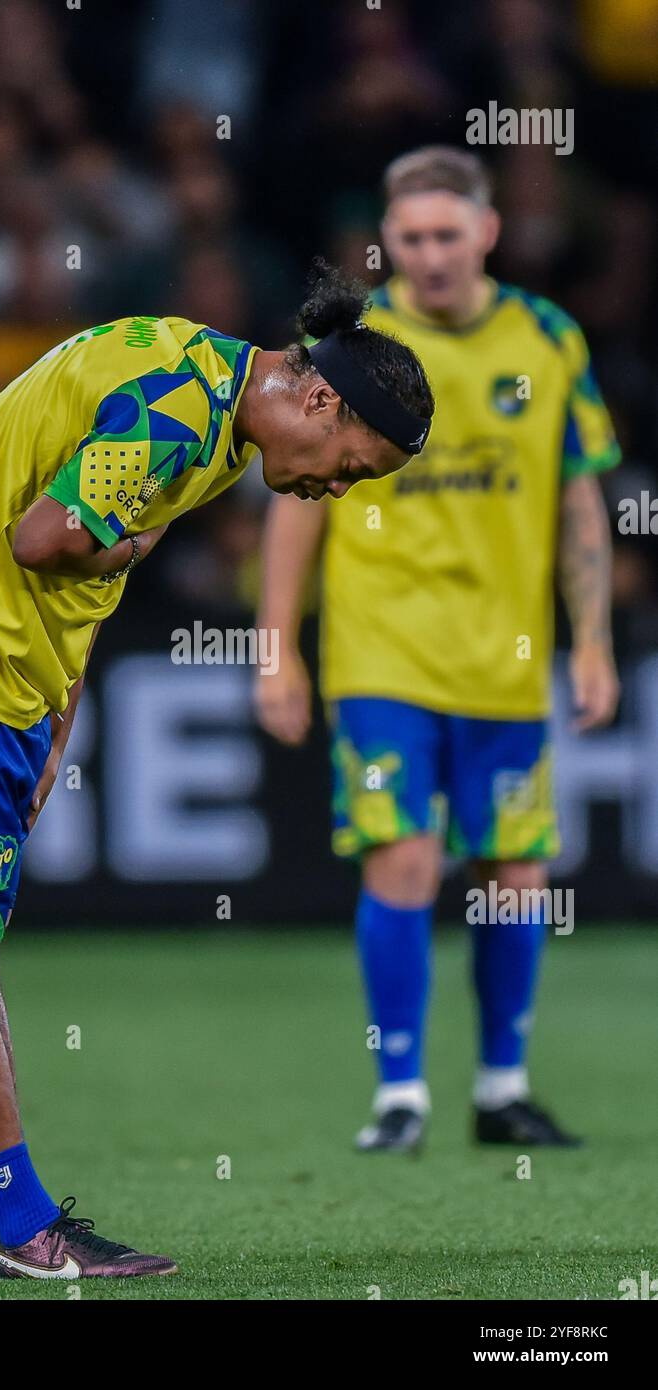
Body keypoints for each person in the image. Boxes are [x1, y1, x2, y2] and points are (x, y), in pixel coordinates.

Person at [0, 267, 434, 1278]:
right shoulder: (180, 411)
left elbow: (79, 541)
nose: (334, 488)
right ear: (319, 397)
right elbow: (52, 535)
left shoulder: (201, 389)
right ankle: (17, 1232)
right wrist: (135, 540)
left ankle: (12, 1222)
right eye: (348, 466)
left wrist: (60, 708)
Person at [255, 149, 620, 1153]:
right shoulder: (351, 344)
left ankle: (501, 1087)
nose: (427, 256)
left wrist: (590, 641)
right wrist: (274, 645)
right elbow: (292, 494)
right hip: (382, 658)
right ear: (389, 239)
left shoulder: (546, 339)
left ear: (486, 233)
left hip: (504, 661)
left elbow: (574, 495)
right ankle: (399, 1094)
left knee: (513, 870)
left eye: (445, 235)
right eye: (408, 238)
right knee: (405, 858)